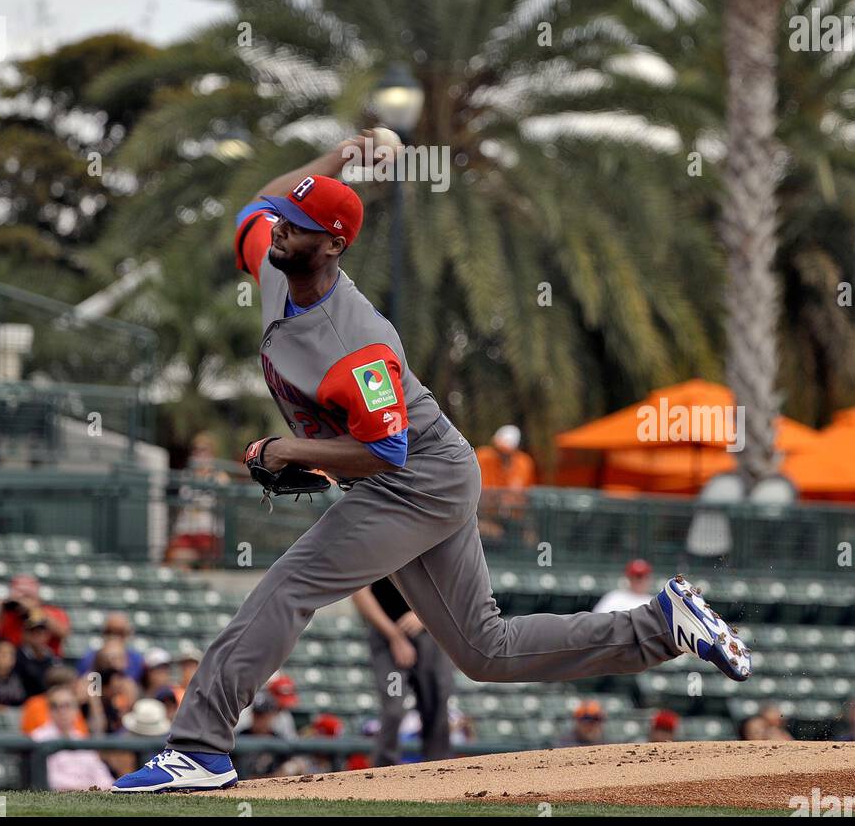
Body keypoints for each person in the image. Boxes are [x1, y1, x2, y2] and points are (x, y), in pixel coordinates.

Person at [111, 139, 752, 792]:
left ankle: (199, 747)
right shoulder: (277, 260)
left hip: (419, 477)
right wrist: (338, 156)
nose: (280, 229)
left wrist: (288, 451)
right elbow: (258, 205)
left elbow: (388, 452)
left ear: (333, 245)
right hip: (415, 474)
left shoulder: (358, 346)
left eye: (299, 226)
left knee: (290, 587)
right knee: (484, 651)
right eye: (284, 219)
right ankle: (663, 624)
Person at [353, 577, 453, 766]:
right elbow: (359, 592)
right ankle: (384, 771)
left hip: (429, 632)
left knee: (437, 703)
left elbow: (450, 583)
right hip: (387, 637)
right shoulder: (374, 549)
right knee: (394, 707)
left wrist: (423, 616)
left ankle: (440, 770)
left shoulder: (427, 546)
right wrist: (394, 635)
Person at [167, 433, 231, 567]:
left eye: (204, 450)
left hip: (208, 530)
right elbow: (181, 504)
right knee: (175, 558)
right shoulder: (187, 475)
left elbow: (226, 491)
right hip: (187, 528)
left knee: (206, 563)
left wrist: (210, 474)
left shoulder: (219, 475)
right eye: (196, 450)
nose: (199, 454)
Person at [32, 687, 114, 791]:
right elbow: (50, 779)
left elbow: (102, 775)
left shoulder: (81, 738)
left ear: (76, 710)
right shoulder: (39, 737)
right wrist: (85, 789)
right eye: (56, 706)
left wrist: (105, 787)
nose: (62, 711)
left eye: (67, 706)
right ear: (49, 711)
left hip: (88, 795)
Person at [0, 575, 70, 656]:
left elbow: (63, 632)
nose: (23, 602)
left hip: (48, 662)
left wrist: (35, 610)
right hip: (16, 664)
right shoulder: (8, 615)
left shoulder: (52, 612)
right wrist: (2, 610)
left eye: (28, 597)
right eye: (20, 598)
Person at [76, 613, 146, 683]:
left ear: (128, 634)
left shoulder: (138, 661)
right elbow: (88, 690)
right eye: (109, 632)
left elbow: (146, 691)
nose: (114, 637)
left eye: (120, 633)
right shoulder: (90, 658)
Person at [0, 637, 26, 709]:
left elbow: (20, 705)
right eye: (1, 652)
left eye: (9, 654)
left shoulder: (17, 680)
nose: (4, 656)